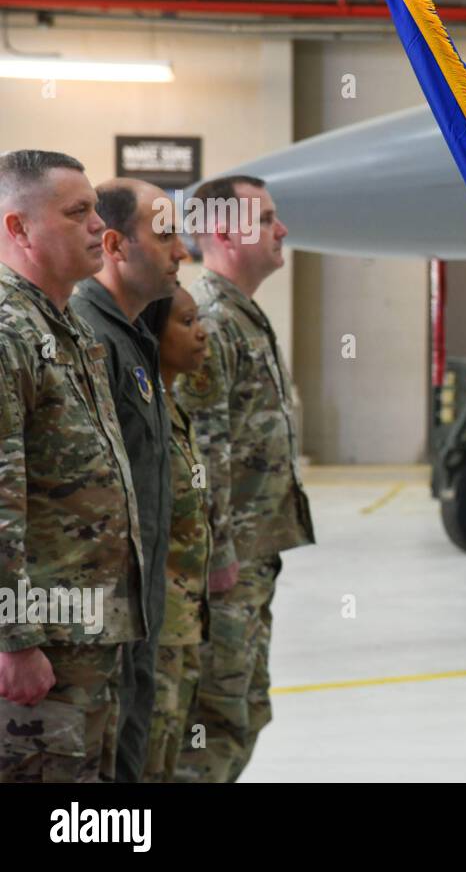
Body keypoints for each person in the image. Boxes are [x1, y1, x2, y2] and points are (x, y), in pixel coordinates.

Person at [0, 150, 145, 782]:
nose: (98, 227)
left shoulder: (64, 327)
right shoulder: (8, 334)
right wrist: (14, 639)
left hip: (87, 635)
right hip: (43, 643)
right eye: (77, 212)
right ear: (19, 228)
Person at [175, 175, 314, 782]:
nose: (282, 230)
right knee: (215, 718)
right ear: (225, 232)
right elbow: (202, 448)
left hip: (250, 560)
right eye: (267, 218)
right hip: (223, 570)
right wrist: (218, 553)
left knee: (244, 709)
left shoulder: (240, 314)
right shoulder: (211, 319)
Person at [69, 178, 190, 782]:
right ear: (116, 245)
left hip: (135, 614)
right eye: (166, 235)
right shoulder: (91, 338)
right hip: (97, 624)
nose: (182, 252)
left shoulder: (133, 334)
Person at [141, 287, 220, 782]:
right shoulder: (142, 409)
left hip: (183, 619)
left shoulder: (170, 405)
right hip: (157, 624)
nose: (201, 332)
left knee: (170, 752)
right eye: (186, 321)